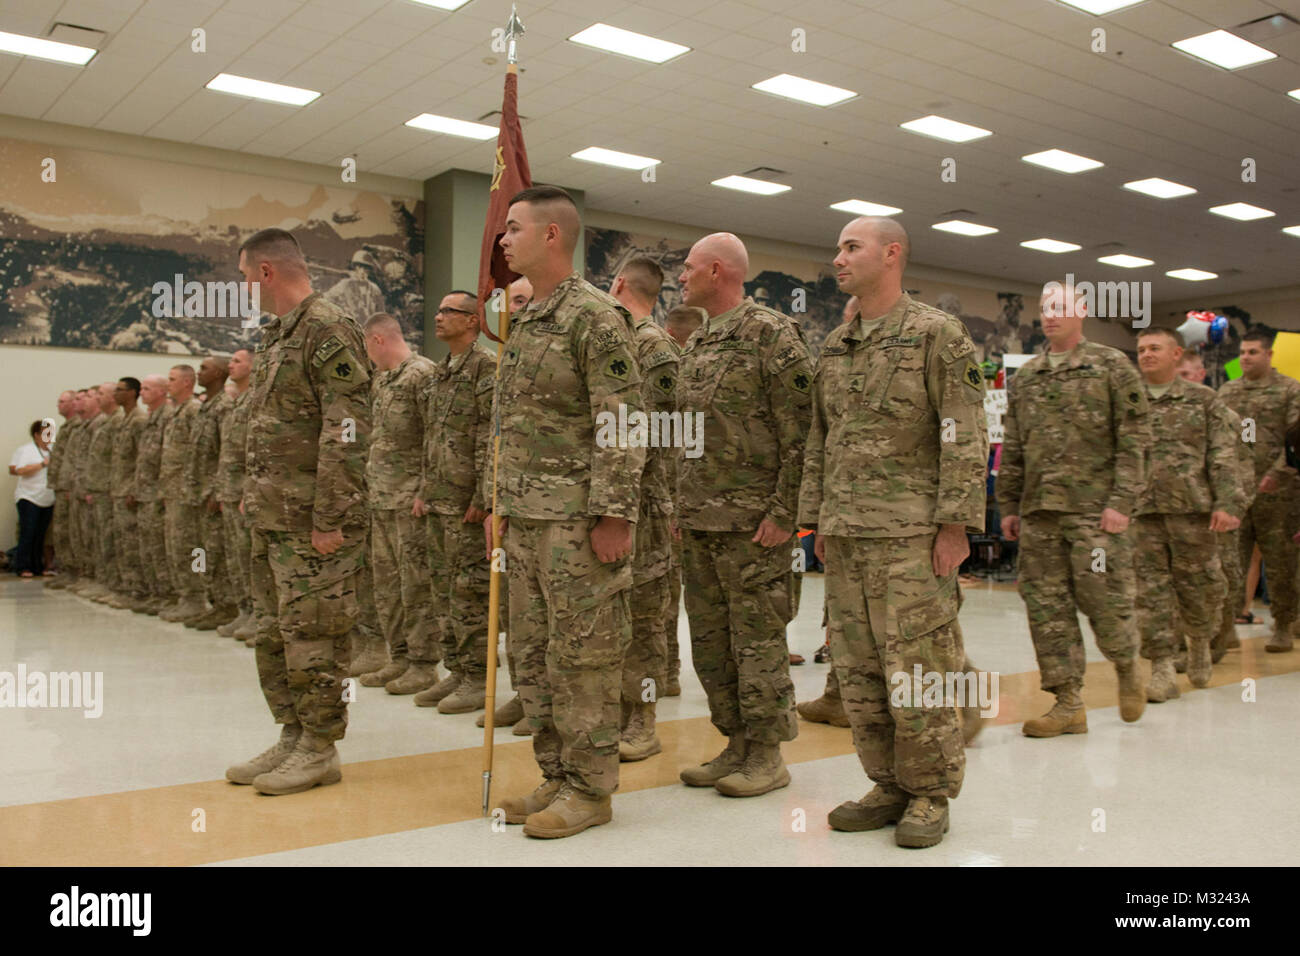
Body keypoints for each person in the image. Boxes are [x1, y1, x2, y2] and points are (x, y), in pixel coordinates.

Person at [798, 218, 988, 847]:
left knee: (919, 668)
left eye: (851, 247)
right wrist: (818, 519)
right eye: (838, 247)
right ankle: (887, 783)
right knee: (858, 672)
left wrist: (955, 526)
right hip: (848, 535)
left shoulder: (938, 334)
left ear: (892, 254)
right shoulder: (839, 343)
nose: (838, 258)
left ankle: (931, 792)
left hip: (912, 536)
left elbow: (963, 433)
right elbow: (821, 438)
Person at [488, 186, 644, 838]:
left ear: (552, 236)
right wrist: (497, 503)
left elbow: (623, 420)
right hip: (524, 518)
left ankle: (590, 788)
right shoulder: (526, 321)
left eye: (513, 228)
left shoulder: (594, 318)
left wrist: (615, 512)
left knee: (584, 657)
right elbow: (510, 425)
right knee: (532, 656)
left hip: (576, 521)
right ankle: (555, 773)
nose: (502, 238)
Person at [226, 227, 371, 796]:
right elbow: (274, 424)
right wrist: (253, 489)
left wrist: (330, 516)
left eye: (243, 276)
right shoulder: (277, 335)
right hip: (273, 515)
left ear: (266, 271)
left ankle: (319, 746)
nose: (244, 287)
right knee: (274, 632)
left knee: (314, 634)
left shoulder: (328, 328)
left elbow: (348, 427)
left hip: (314, 519)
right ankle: (292, 733)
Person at [674, 232, 812, 797]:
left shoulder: (772, 335)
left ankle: (768, 754)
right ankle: (735, 742)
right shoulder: (700, 343)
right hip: (700, 520)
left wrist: (786, 512)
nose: (680, 278)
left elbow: (803, 431)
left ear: (715, 270)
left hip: (754, 525)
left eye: (687, 269)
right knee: (711, 643)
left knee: (757, 641)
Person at [998, 281, 1150, 736]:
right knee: (1046, 608)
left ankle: (1126, 666)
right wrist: (1009, 502)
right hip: (1041, 512)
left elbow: (1135, 440)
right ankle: (1068, 703)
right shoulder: (1027, 376)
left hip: (1096, 512)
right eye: (1045, 308)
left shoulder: (1111, 366)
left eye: (1060, 307)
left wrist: (1122, 503)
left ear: (1082, 311)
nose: (1050, 315)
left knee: (1105, 600)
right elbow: (1016, 444)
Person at [1133, 327, 1242, 700]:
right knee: (1150, 593)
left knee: (1202, 588)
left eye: (1155, 348)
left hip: (1193, 511)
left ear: (1176, 353)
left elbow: (1223, 455)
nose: (1146, 354)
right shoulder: (1129, 401)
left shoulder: (1204, 400)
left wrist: (1228, 503)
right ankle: (1162, 666)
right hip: (1142, 511)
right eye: (1142, 349)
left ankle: (1198, 642)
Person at [410, 292, 496, 714]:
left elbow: (489, 435)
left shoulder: (485, 368)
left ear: (473, 321)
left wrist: (484, 495)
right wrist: (425, 491)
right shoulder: (440, 374)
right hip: (439, 501)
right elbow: (432, 439)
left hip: (467, 503)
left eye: (449, 311)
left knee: (469, 592)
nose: (439, 316)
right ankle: (458, 670)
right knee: (442, 590)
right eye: (438, 309)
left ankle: (480, 676)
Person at [609, 256, 680, 760]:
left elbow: (665, 436)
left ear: (618, 284)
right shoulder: (616, 340)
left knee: (646, 619)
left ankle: (643, 721)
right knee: (615, 614)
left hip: (646, 504)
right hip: (615, 499)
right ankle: (615, 711)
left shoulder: (653, 347)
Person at [359, 312, 441, 694]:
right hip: (382, 497)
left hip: (410, 500)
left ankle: (424, 664)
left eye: (366, 346)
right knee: (387, 585)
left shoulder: (421, 375)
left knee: (415, 586)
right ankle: (400, 657)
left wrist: (426, 489)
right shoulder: (382, 380)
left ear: (378, 340)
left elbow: (435, 437)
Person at [473, 276, 533, 734]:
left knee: (549, 617)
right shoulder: (506, 360)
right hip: (511, 501)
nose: (516, 309)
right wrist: (494, 502)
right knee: (517, 612)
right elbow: (498, 438)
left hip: (551, 506)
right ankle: (526, 690)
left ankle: (544, 701)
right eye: (511, 302)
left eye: (525, 301)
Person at [1218, 328, 1300, 653]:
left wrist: (1277, 474)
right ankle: (1226, 628)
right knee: (1231, 564)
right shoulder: (1227, 391)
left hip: (1278, 496)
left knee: (1281, 564)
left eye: (1253, 352)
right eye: (1242, 352)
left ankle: (1282, 625)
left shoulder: (1289, 390)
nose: (1245, 358)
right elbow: (1218, 440)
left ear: (1269, 355)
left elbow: (1296, 440)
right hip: (1237, 495)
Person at [186, 357, 238, 631]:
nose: (199, 372)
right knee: (205, 552)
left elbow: (226, 452)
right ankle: (215, 603)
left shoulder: (224, 408)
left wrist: (217, 491)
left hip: (213, 494)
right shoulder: (206, 407)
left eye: (204, 368)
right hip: (198, 493)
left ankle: (228, 606)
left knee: (218, 552)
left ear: (218, 373)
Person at [158, 366, 206, 624]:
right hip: (173, 490)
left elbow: (198, 453)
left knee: (189, 547)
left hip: (187, 491)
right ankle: (185, 597)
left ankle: (196, 598)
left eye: (172, 379)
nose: (169, 384)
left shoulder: (194, 410)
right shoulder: (176, 411)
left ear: (188, 382)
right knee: (175, 545)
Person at [216, 351, 257, 643]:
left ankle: (259, 613)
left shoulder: (256, 400)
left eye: (237, 361)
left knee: (250, 555)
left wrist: (249, 489)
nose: (231, 365)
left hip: (246, 491)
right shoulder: (235, 403)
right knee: (236, 556)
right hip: (228, 490)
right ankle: (244, 609)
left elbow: (256, 450)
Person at [131, 375, 172, 615]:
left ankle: (176, 594)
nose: (142, 392)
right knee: (150, 546)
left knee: (175, 548)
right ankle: (158, 592)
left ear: (161, 391)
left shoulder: (168, 416)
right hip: (147, 492)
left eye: (146, 388)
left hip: (166, 493)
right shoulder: (150, 418)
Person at [81, 382, 124, 605]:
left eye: (100, 393)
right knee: (100, 539)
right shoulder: (105, 422)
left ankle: (121, 585)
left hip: (113, 489)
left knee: (114, 540)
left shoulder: (120, 420)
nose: (96, 397)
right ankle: (106, 581)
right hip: (100, 488)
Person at [108, 378, 149, 610]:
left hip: (130, 491)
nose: (116, 393)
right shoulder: (124, 420)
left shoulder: (139, 420)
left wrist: (134, 487)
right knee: (123, 541)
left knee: (133, 542)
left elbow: (141, 457)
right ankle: (127, 586)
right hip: (119, 488)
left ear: (133, 393)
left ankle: (137, 589)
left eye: (120, 390)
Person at [10, 420, 55, 577]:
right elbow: (19, 470)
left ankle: (37, 566)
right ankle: (22, 566)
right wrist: (42, 464)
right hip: (29, 497)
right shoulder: (26, 451)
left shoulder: (53, 450)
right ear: (36, 435)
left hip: (47, 498)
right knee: (28, 532)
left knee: (40, 534)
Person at [42, 391, 78, 587]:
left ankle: (78, 572)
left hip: (74, 488)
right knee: (64, 531)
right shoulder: (66, 428)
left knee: (75, 532)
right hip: (63, 487)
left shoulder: (79, 427)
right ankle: (66, 570)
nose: (58, 405)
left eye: (63, 402)